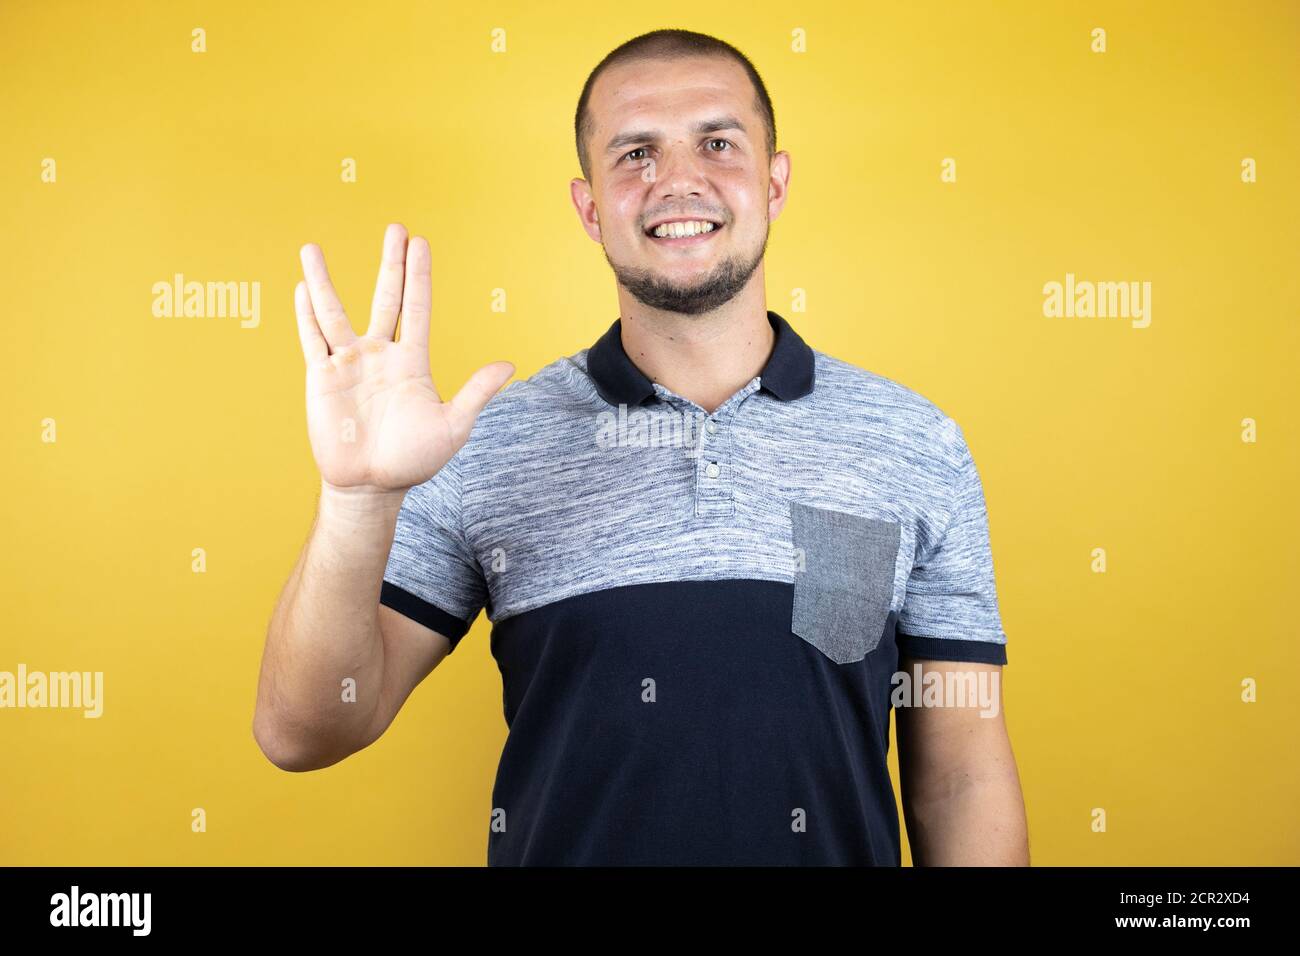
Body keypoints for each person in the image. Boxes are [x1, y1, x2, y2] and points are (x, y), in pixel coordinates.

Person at [253, 28, 1029, 866]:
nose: (679, 181)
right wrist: (358, 501)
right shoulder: (484, 446)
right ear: (590, 208)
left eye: (718, 143)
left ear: (775, 183)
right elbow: (304, 730)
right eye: (635, 154)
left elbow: (961, 781)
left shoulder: (914, 444)